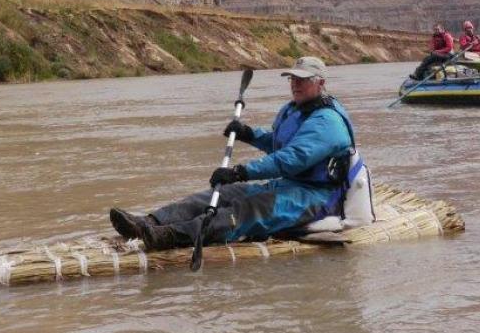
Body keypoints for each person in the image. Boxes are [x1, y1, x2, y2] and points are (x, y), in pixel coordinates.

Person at [108, 56, 361, 251]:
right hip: (286, 185)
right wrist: (249, 134)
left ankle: (171, 236)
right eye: (292, 78)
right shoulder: (293, 110)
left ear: (321, 83)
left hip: (317, 198)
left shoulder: (328, 122)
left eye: (303, 80)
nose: (295, 84)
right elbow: (279, 144)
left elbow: (291, 159)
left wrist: (242, 171)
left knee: (248, 209)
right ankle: (148, 222)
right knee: (221, 194)